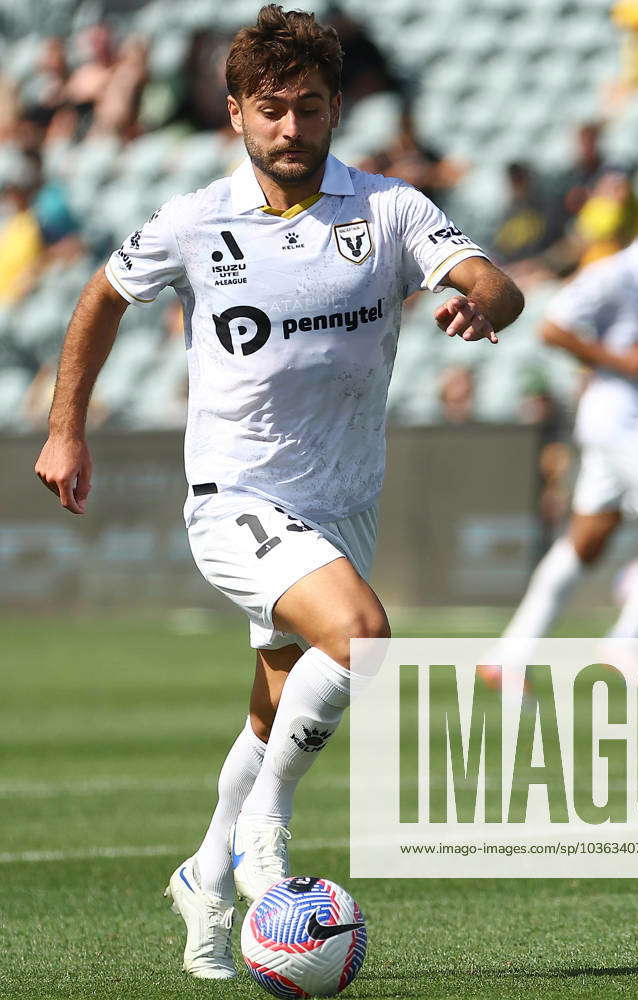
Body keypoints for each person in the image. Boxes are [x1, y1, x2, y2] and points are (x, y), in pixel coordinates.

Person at [33, 5, 523, 981]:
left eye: (308, 106)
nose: (290, 127)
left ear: (337, 108)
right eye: (270, 108)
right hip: (234, 495)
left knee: (273, 710)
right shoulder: (194, 220)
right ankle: (267, 828)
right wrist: (64, 427)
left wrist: (482, 300)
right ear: (236, 114)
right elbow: (101, 298)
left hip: (342, 502)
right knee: (362, 636)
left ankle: (204, 875)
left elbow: (494, 282)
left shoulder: (389, 209)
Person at [482, 188, 638, 685]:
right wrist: (617, 360)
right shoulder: (617, 272)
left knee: (586, 542)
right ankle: (628, 639)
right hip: (619, 419)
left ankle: (508, 654)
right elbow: (552, 327)